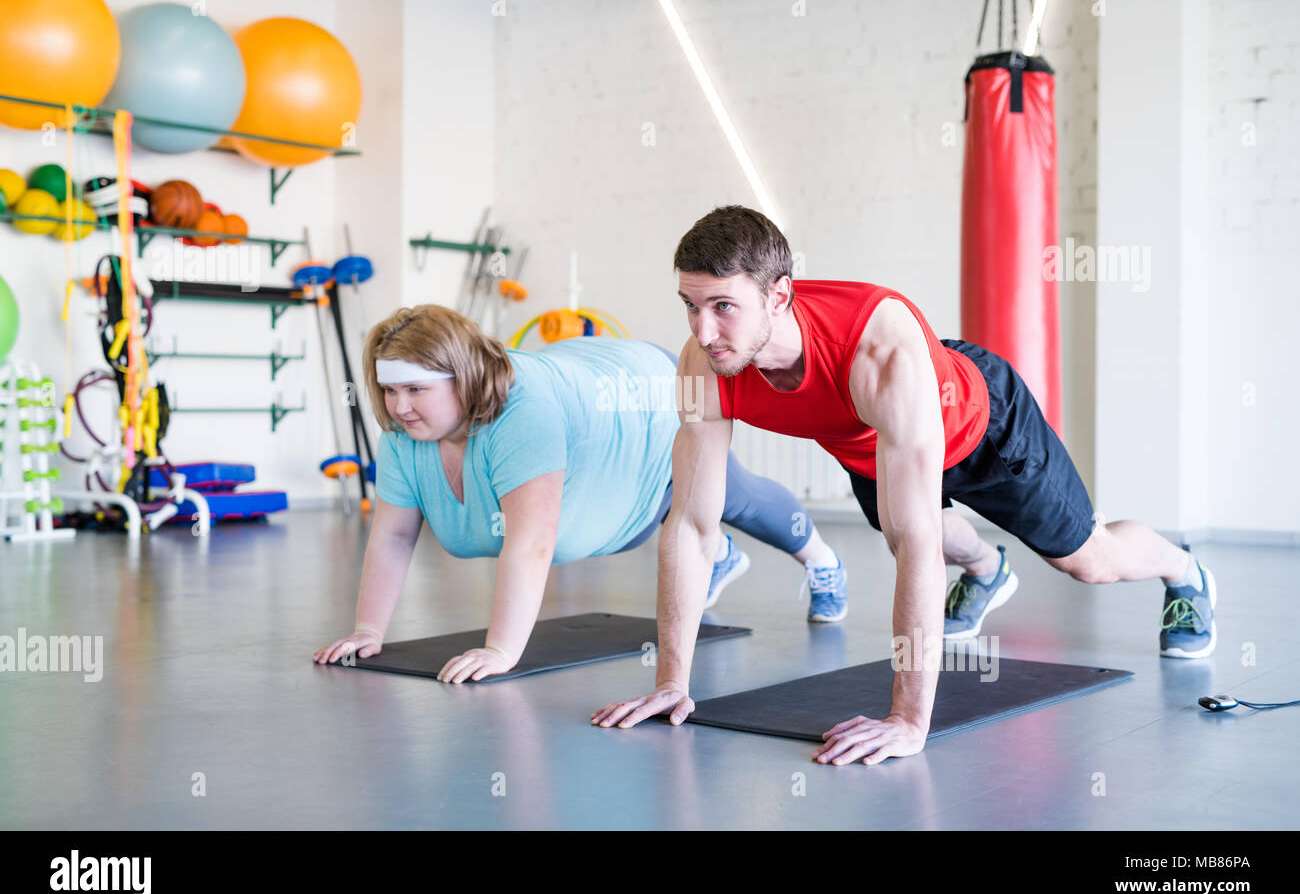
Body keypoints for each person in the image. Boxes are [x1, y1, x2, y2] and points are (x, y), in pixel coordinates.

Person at [592, 205, 1217, 765]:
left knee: (1088, 561)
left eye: (724, 307)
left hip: (978, 425)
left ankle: (1182, 570)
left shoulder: (875, 346)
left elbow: (916, 545)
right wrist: (671, 681)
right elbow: (694, 525)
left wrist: (909, 720)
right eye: (691, 306)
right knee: (918, 532)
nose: (702, 331)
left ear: (779, 296)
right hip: (873, 438)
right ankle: (987, 572)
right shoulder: (704, 362)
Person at [313, 304, 848, 682]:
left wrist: (501, 650)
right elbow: (393, 535)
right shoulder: (406, 438)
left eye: (416, 390)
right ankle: (721, 557)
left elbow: (532, 545)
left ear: (463, 378)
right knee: (677, 513)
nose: (400, 406)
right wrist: (367, 630)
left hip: (645, 395)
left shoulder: (523, 415)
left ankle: (822, 561)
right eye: (389, 390)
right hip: (594, 418)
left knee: (734, 495)